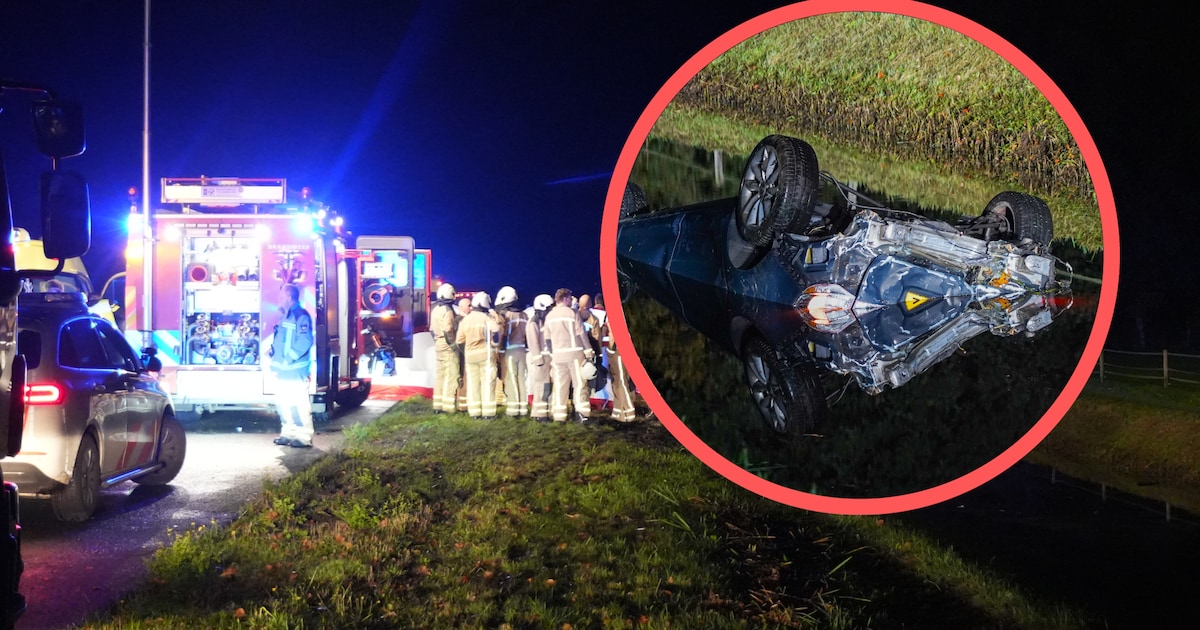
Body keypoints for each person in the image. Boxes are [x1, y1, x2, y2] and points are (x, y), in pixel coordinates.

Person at [269, 283, 315, 448]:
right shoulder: (286, 316)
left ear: (289, 297)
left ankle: (303, 437)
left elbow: (305, 340)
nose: (279, 300)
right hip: (284, 371)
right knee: (284, 403)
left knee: (298, 405)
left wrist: (288, 359)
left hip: (295, 370)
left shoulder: (300, 315)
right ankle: (288, 433)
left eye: (281, 297)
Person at [546, 288, 594, 423]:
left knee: (560, 385)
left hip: (558, 356)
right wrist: (589, 351)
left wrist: (553, 354)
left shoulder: (549, 316)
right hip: (575, 354)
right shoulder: (572, 313)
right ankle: (582, 414)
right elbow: (581, 333)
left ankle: (559, 416)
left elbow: (547, 339)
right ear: (566, 299)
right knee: (579, 384)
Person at [456, 291, 503, 419]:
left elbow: (459, 341)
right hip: (486, 356)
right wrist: (495, 344)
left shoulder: (466, 320)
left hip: (470, 357)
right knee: (488, 384)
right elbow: (496, 330)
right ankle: (488, 413)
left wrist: (466, 351)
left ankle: (474, 412)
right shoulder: (486, 318)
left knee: (472, 384)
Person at [596, 293, 636, 422]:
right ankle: (618, 412)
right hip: (620, 350)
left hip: (618, 350)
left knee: (620, 381)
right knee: (617, 382)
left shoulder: (615, 312)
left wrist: (611, 349)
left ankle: (629, 412)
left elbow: (613, 331)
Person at [496, 286, 529, 417]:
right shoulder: (525, 315)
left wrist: (499, 349)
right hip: (522, 350)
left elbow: (504, 335)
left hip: (510, 351)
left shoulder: (507, 315)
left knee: (511, 380)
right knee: (521, 379)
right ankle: (523, 408)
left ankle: (513, 409)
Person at [429, 282, 460, 414]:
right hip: (447, 346)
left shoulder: (435, 309)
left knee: (440, 375)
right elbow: (448, 330)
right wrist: (454, 346)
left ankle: (437, 406)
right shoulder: (448, 310)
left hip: (438, 344)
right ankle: (447, 407)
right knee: (451, 376)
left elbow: (431, 329)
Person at [525, 293, 554, 422]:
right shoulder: (534, 323)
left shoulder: (545, 321)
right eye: (549, 308)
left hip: (548, 358)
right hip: (541, 359)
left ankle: (546, 412)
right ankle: (539, 414)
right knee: (541, 387)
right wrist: (538, 360)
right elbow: (533, 342)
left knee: (548, 387)